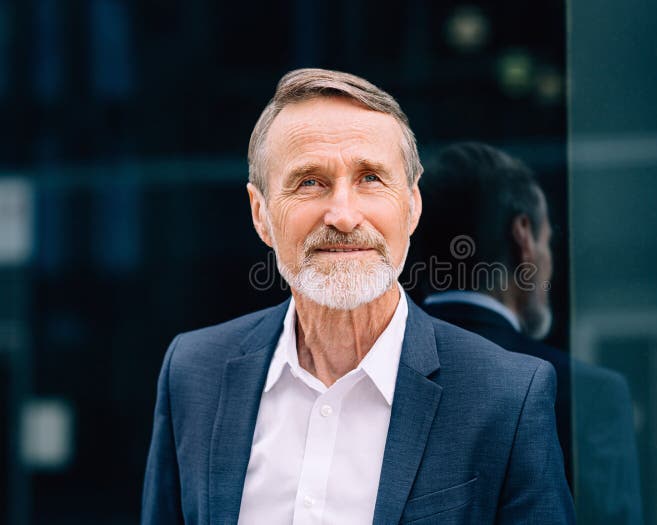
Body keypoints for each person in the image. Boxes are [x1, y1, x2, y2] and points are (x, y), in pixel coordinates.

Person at [141, 69, 574, 524]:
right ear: (260, 214)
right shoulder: (193, 372)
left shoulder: (505, 395)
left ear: (412, 205)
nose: (344, 216)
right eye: (310, 181)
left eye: (370, 178)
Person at [414, 142, 642, 524]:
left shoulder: (366, 373)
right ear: (523, 236)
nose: (549, 259)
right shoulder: (589, 395)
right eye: (547, 240)